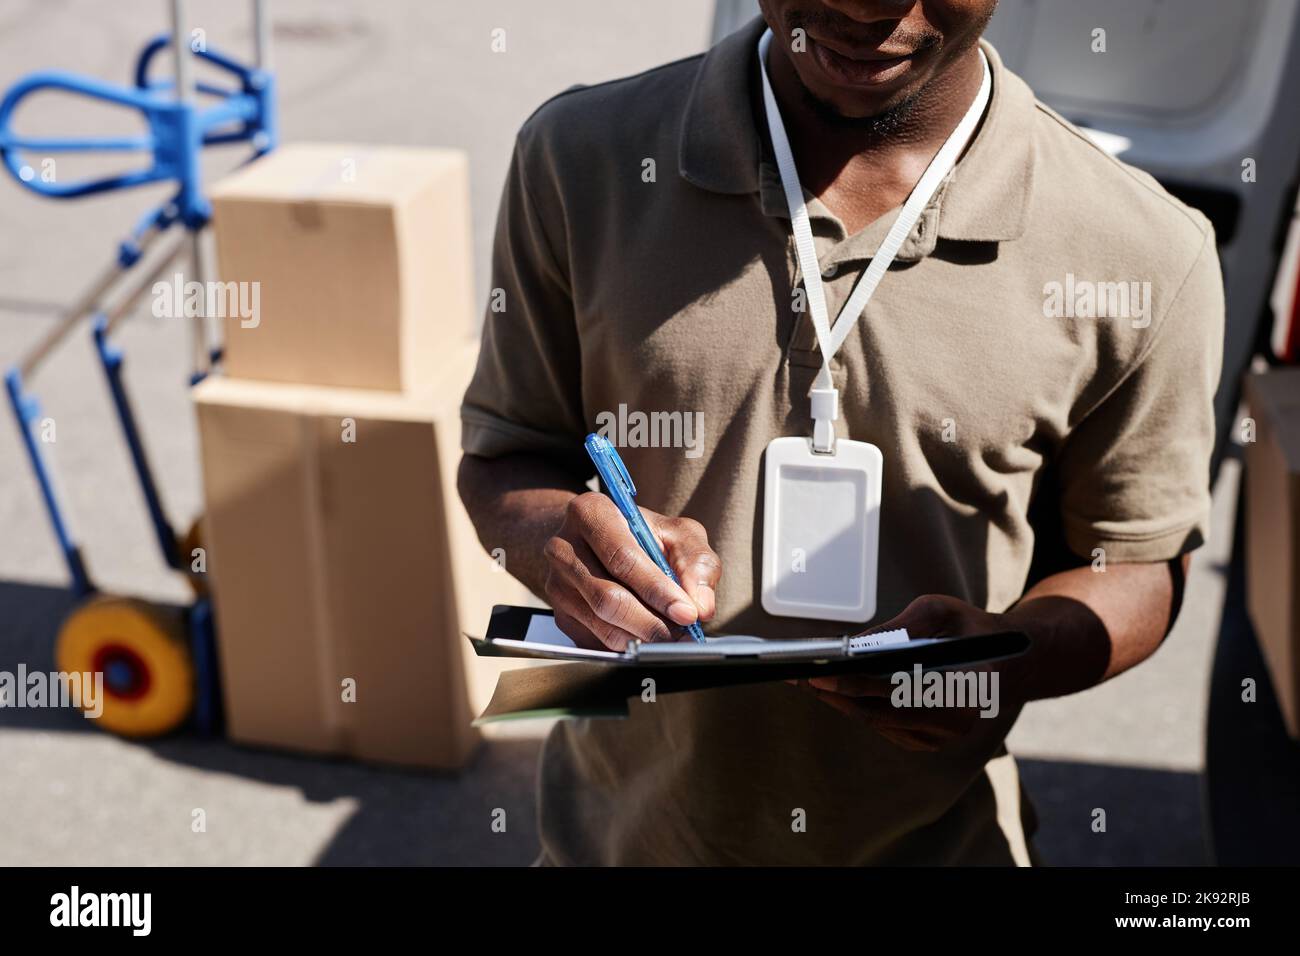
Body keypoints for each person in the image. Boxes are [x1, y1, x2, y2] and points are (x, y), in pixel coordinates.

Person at [458, 0, 1223, 865]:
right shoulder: (579, 159)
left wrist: (1009, 661)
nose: (860, 9)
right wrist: (558, 537)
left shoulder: (1144, 250)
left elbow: (1134, 563)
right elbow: (507, 453)